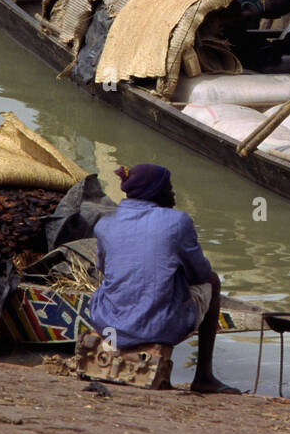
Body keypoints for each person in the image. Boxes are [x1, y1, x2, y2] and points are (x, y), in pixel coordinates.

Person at [87, 163, 237, 393]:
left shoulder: (104, 223)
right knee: (213, 281)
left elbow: (105, 270)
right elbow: (200, 274)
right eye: (169, 188)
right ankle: (204, 376)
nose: (173, 193)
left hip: (107, 320)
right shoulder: (178, 221)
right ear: (155, 191)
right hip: (160, 326)